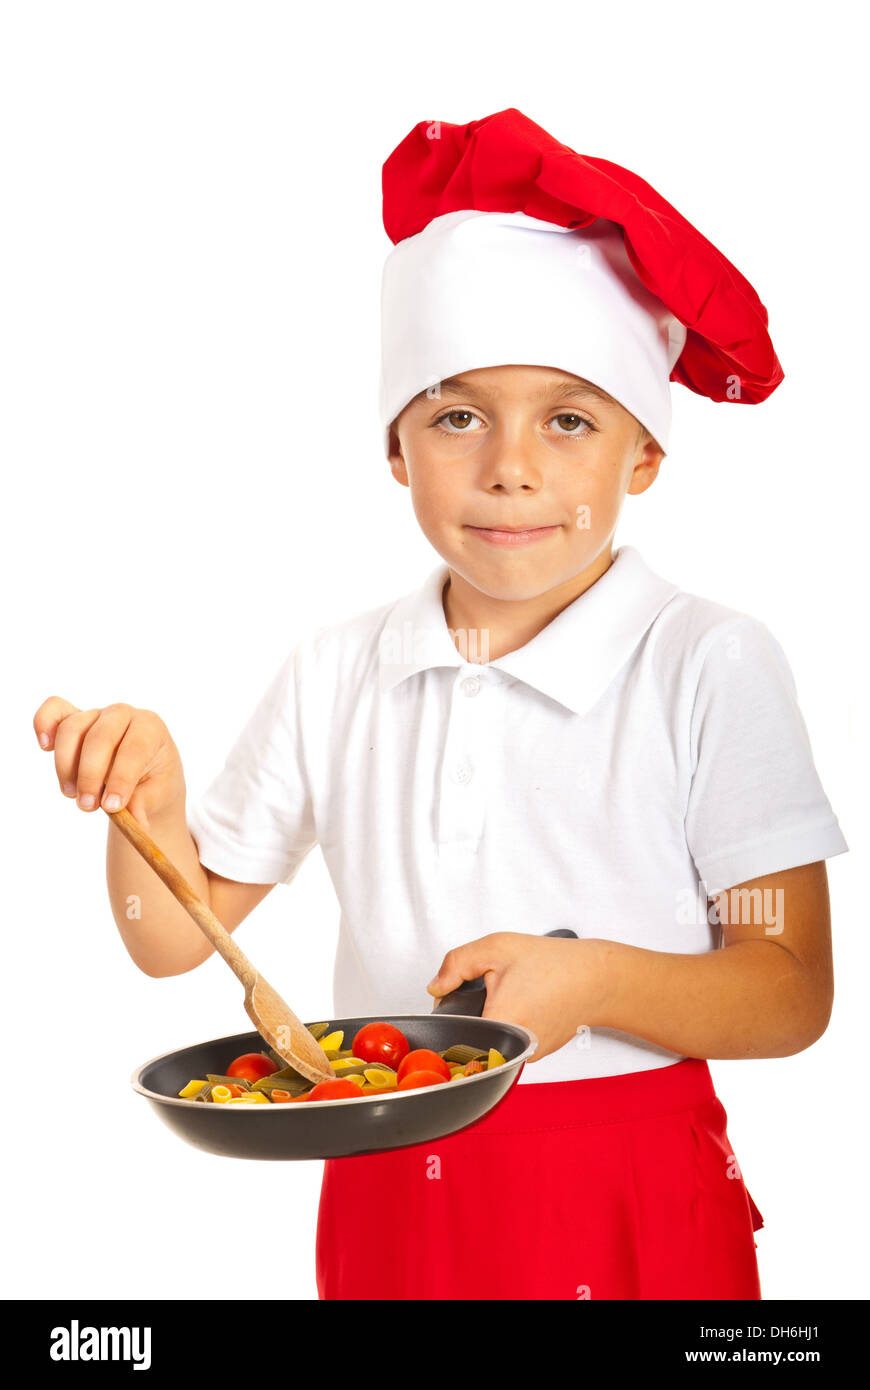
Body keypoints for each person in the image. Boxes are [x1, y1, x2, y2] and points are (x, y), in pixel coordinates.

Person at [33, 109, 848, 1300]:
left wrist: (601, 982)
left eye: (568, 419)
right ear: (396, 450)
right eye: (457, 415)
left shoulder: (708, 662)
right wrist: (143, 803)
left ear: (644, 455)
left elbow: (791, 992)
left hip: (624, 1185)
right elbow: (174, 936)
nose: (511, 466)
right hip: (386, 1173)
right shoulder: (336, 669)